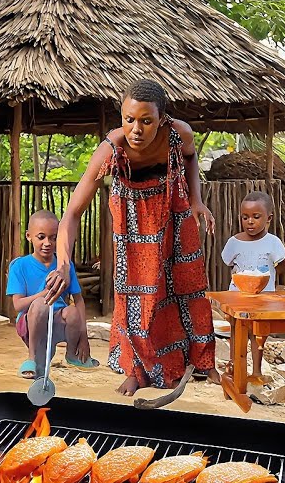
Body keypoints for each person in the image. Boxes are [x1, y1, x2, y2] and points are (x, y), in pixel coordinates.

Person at [47, 80, 217, 403]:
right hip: (133, 224)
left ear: (162, 119)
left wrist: (196, 199)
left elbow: (191, 159)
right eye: (128, 119)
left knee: (189, 284)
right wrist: (63, 262)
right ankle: (135, 370)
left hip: (173, 210)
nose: (135, 129)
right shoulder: (111, 148)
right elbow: (71, 213)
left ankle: (203, 362)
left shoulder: (179, 134)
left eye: (146, 120)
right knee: (135, 295)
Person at [7, 210, 95, 380]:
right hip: (30, 321)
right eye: (41, 237)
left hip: (58, 322)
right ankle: (31, 357)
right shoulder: (20, 266)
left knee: (72, 311)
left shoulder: (65, 266)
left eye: (53, 238)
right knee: (41, 304)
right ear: (29, 236)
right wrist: (46, 293)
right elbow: (18, 305)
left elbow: (79, 301)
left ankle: (71, 354)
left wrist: (83, 338)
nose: (47, 243)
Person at [221, 190, 285, 291]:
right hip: (238, 296)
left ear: (268, 218)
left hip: (264, 297)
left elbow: (283, 264)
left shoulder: (273, 242)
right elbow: (229, 265)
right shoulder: (234, 243)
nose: (250, 221)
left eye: (256, 217)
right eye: (245, 217)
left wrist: (269, 275)